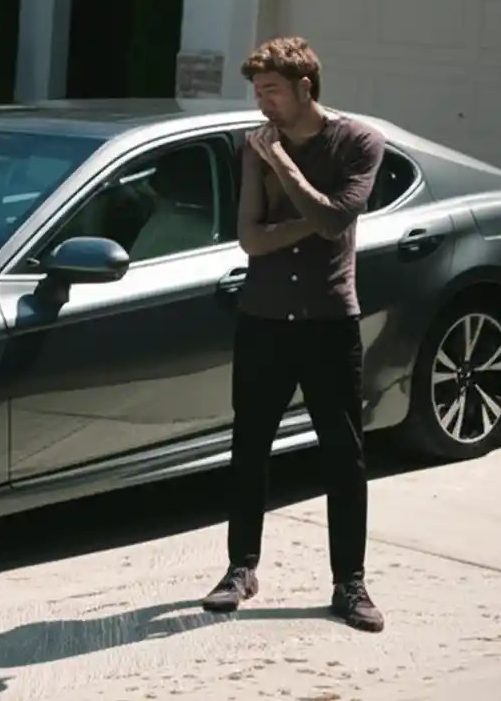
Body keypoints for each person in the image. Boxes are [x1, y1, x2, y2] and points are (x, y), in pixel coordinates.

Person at [199, 36, 386, 633]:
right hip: (263, 321)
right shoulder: (253, 145)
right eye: (258, 93)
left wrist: (283, 168)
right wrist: (308, 219)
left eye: (272, 92)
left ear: (306, 87)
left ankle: (349, 584)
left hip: (331, 322)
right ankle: (240, 568)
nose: (263, 107)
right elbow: (250, 240)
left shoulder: (357, 141)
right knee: (249, 448)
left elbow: (336, 220)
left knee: (343, 455)